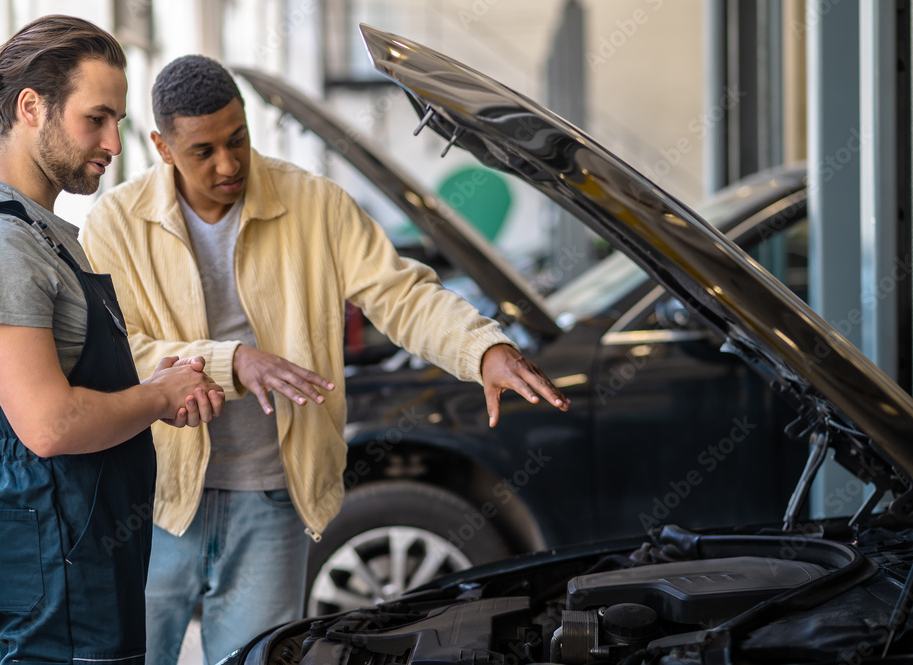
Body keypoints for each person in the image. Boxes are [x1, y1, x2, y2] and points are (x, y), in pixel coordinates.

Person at [80, 54, 569, 663]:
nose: (229, 165)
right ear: (162, 146)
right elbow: (117, 351)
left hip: (273, 496)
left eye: (238, 140)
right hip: (155, 496)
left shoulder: (315, 204)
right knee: (128, 655)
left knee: (255, 658)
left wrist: (481, 348)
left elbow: (401, 293)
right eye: (204, 151)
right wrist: (231, 361)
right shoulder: (113, 224)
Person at [0, 17, 226, 664]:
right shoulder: (0, 242)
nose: (115, 142)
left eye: (117, 119)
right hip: (52, 544)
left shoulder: (44, 232)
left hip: (82, 540)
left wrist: (152, 385)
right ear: (32, 107)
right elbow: (50, 423)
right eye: (97, 118)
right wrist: (157, 395)